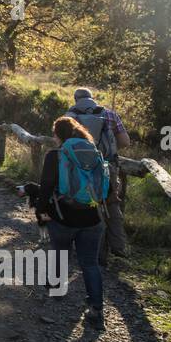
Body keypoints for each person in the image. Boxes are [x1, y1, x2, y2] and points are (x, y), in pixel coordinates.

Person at [34, 116, 109, 329]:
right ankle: (96, 309)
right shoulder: (94, 153)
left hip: (63, 216)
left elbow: (46, 186)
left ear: (57, 135)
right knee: (90, 263)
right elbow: (107, 188)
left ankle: (56, 287)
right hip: (93, 217)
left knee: (60, 252)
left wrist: (41, 212)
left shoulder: (55, 156)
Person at [64, 88, 131, 265]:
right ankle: (119, 245)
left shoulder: (69, 115)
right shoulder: (109, 114)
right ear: (92, 98)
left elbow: (61, 142)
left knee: (86, 203)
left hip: (79, 169)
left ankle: (91, 249)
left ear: (75, 98)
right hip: (107, 166)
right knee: (111, 202)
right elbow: (125, 141)